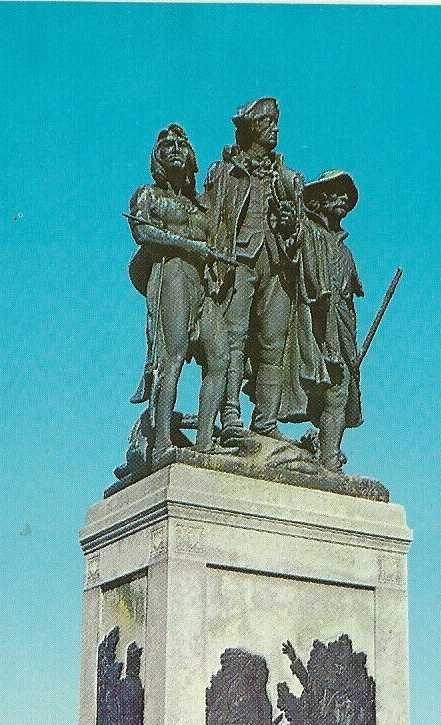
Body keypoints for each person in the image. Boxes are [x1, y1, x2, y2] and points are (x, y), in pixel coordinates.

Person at [204, 98, 323, 443]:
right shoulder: (223, 172)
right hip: (237, 260)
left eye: (276, 121)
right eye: (267, 121)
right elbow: (210, 219)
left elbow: (300, 230)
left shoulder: (288, 178)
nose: (275, 127)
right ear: (250, 127)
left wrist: (290, 226)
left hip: (277, 262)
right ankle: (229, 415)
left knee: (274, 344)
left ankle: (266, 421)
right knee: (233, 337)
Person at [127, 124, 232, 467]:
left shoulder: (203, 207)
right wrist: (190, 245)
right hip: (171, 272)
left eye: (181, 145)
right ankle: (161, 445)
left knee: (220, 358)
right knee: (172, 358)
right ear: (157, 157)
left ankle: (204, 444)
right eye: (167, 145)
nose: (175, 149)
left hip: (202, 282)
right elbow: (141, 232)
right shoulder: (148, 195)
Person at [301, 170, 364, 471]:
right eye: (334, 193)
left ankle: (330, 458)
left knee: (339, 392)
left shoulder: (347, 253)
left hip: (342, 330)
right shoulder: (310, 235)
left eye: (345, 195)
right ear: (320, 200)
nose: (341, 199)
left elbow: (350, 301)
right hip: (310, 326)